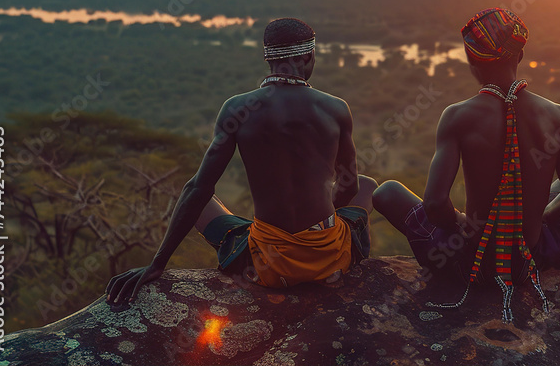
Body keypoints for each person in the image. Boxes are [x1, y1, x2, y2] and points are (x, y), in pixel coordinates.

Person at [105, 18, 375, 305]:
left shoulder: (238, 108)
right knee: (367, 186)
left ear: (267, 58)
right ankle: (324, 249)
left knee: (198, 198)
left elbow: (198, 189)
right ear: (308, 56)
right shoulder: (335, 108)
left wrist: (158, 264)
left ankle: (276, 243)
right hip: (329, 259)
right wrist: (314, 228)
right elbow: (348, 187)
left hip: (265, 266)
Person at [372, 8, 560, 322]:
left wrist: (460, 222)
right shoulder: (556, 114)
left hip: (471, 263)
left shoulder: (458, 116)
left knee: (387, 191)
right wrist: (536, 220)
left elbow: (434, 204)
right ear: (521, 54)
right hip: (531, 259)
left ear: (472, 61)